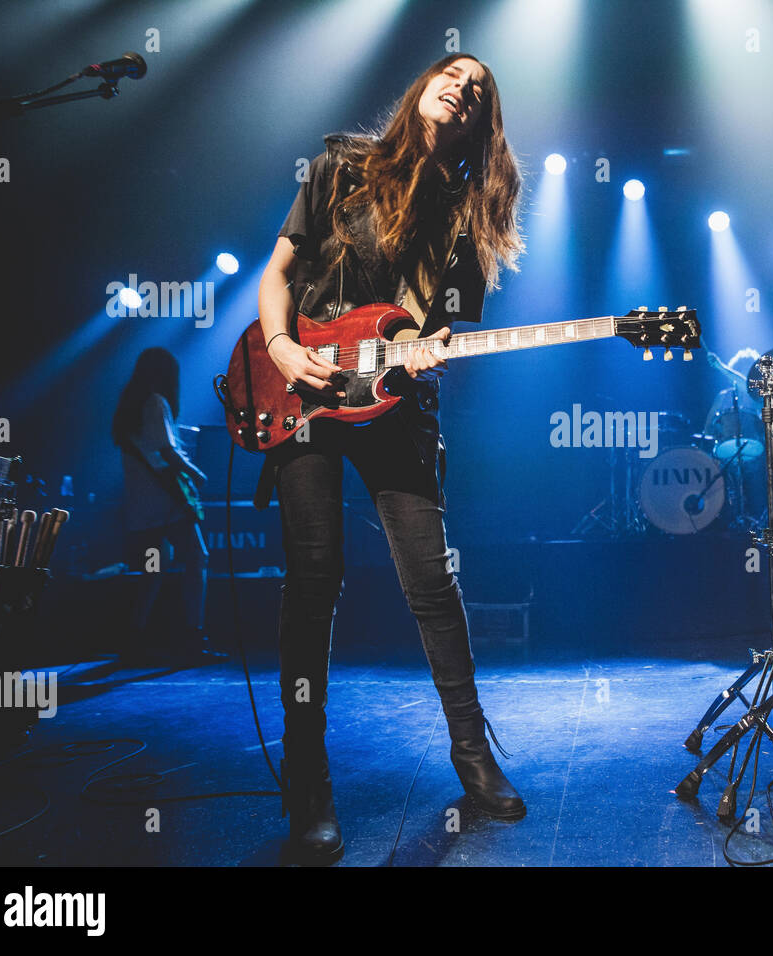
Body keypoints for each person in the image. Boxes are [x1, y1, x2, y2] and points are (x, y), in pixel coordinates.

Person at [256, 53, 526, 864]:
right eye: (454, 72)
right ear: (422, 88)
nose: (464, 86)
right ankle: (309, 789)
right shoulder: (342, 164)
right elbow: (279, 272)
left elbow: (445, 326)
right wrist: (279, 347)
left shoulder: (472, 212)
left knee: (432, 585)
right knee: (315, 578)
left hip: (397, 402)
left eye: (480, 89)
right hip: (305, 387)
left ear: (484, 121)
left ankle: (474, 759)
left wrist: (426, 351)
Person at [111, 347, 215, 663]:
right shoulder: (156, 402)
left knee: (153, 570)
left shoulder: (129, 406)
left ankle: (134, 639)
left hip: (143, 501)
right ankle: (192, 639)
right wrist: (199, 475)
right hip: (166, 501)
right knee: (197, 559)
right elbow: (167, 451)